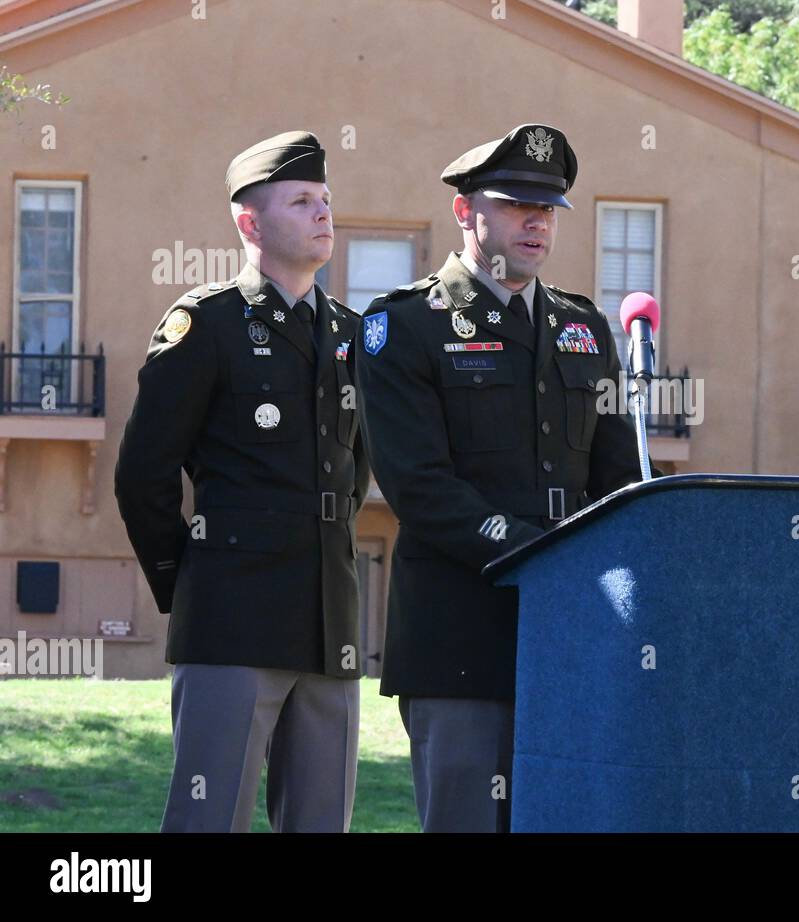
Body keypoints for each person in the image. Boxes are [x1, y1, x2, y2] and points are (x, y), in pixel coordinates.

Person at [356, 123, 644, 832]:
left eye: (547, 208)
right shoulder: (406, 327)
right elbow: (419, 487)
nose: (536, 221)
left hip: (572, 639)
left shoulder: (585, 327)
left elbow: (616, 473)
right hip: (460, 644)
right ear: (465, 212)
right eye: (517, 204)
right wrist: (539, 556)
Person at [114, 130, 370, 832]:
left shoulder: (350, 334)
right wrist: (187, 581)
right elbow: (143, 474)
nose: (323, 214)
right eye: (301, 201)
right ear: (249, 223)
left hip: (330, 624)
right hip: (230, 619)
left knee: (321, 824)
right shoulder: (207, 323)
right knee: (208, 821)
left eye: (324, 200)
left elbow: (353, 474)